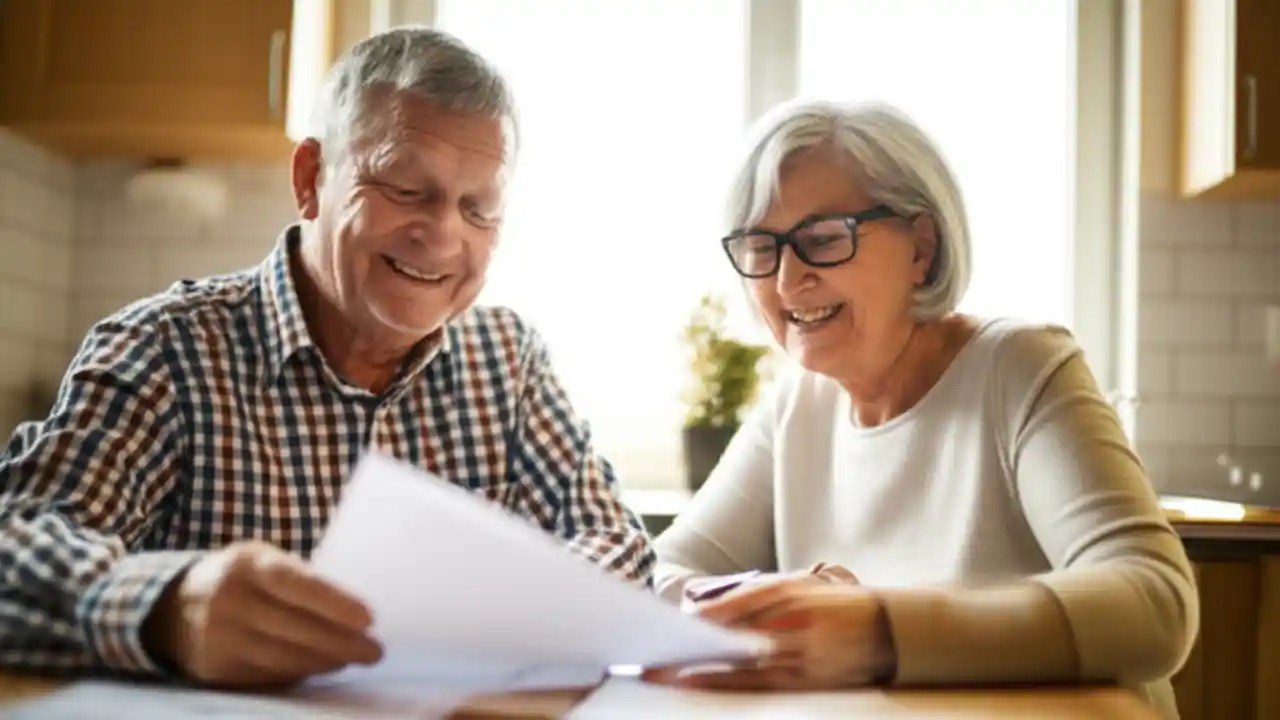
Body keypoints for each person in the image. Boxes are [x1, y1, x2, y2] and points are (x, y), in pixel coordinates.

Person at [0, 28, 653, 687]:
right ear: (311, 179)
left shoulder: (509, 361)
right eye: (406, 187)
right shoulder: (165, 349)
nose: (443, 235)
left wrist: (519, 608)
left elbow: (615, 543)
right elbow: (15, 543)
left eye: (478, 208)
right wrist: (168, 609)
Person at [648, 100, 1196, 718]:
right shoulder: (796, 407)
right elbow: (660, 572)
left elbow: (1155, 603)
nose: (785, 280)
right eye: (760, 248)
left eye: (823, 240)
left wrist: (875, 628)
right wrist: (775, 605)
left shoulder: (1018, 367)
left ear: (922, 249)